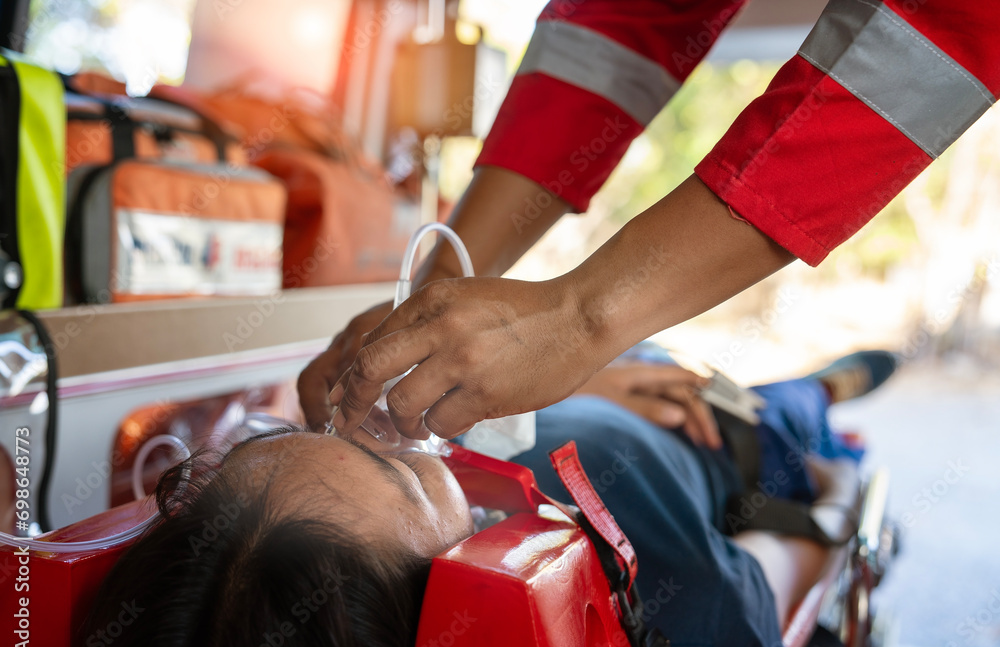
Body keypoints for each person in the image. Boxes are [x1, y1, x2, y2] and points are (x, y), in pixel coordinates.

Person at [297, 0, 998, 442]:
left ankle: (810, 396)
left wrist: (583, 317)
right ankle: (808, 397)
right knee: (732, 412)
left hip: (638, 373)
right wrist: (438, 291)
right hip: (641, 378)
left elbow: (939, 34)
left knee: (741, 420)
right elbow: (620, 22)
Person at [83, 348, 895, 647]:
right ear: (462, 596)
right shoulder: (674, 597)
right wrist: (839, 493)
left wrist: (577, 369)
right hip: (716, 436)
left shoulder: (323, 527)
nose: (397, 430)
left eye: (315, 434)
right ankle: (826, 389)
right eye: (398, 469)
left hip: (606, 378)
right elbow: (795, 558)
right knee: (786, 409)